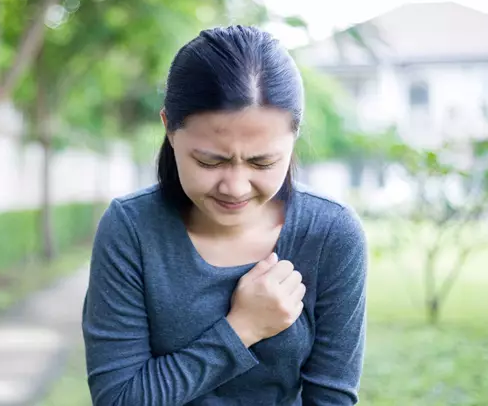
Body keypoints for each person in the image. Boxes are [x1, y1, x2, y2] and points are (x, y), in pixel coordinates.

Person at [81, 25, 368, 405]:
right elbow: (118, 399)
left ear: (294, 136)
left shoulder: (332, 233)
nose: (235, 186)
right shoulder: (131, 228)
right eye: (210, 161)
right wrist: (242, 328)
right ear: (169, 129)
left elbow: (331, 398)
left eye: (262, 161)